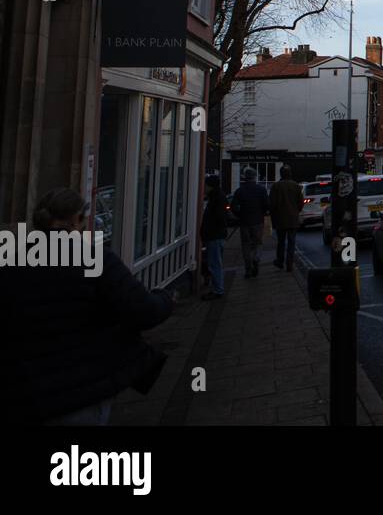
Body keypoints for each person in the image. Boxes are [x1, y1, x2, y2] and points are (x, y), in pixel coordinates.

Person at [0, 188, 173, 425]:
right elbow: (145, 311)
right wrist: (165, 298)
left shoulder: (11, 262)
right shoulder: (95, 259)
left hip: (23, 393)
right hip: (81, 389)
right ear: (76, 220)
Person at [230, 167, 270, 278]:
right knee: (258, 243)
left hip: (244, 222)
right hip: (258, 221)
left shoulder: (239, 191)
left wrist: (239, 215)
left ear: (245, 177)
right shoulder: (261, 190)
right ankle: (256, 258)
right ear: (254, 177)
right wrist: (263, 212)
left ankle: (248, 269)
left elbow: (233, 207)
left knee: (246, 245)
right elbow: (267, 205)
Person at [268, 165, 303, 272]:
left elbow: (272, 204)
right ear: (290, 173)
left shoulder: (275, 186)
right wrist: (295, 212)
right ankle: (289, 264)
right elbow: (300, 203)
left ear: (281, 174)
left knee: (281, 241)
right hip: (293, 219)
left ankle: (280, 261)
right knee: (291, 242)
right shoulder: (296, 186)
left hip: (280, 219)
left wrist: (273, 215)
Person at [200, 177, 228, 300]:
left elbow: (218, 218)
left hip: (215, 236)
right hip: (216, 235)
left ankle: (218, 290)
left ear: (210, 186)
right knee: (215, 263)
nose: (204, 187)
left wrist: (208, 231)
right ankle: (216, 288)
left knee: (215, 264)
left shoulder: (217, 198)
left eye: (205, 185)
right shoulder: (217, 197)